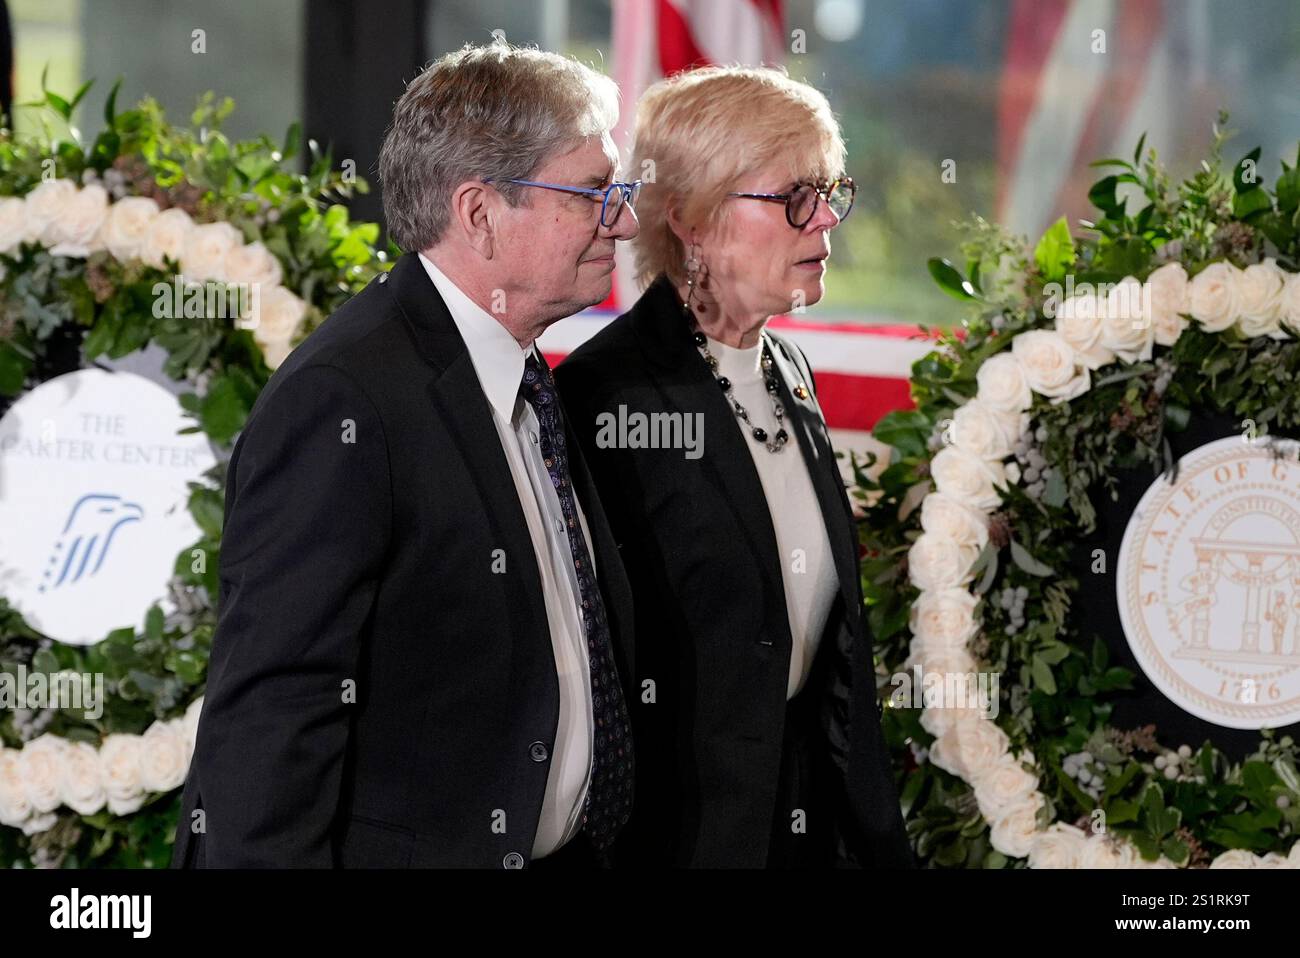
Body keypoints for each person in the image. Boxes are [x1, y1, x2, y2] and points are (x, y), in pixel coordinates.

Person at [172, 42, 640, 869]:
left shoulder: (519, 364)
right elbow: (272, 720)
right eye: (592, 193)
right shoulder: (344, 401)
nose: (624, 220)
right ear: (480, 212)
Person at [555, 65, 912, 868]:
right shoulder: (606, 396)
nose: (825, 218)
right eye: (791, 198)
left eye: (829, 190)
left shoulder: (786, 367)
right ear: (687, 218)